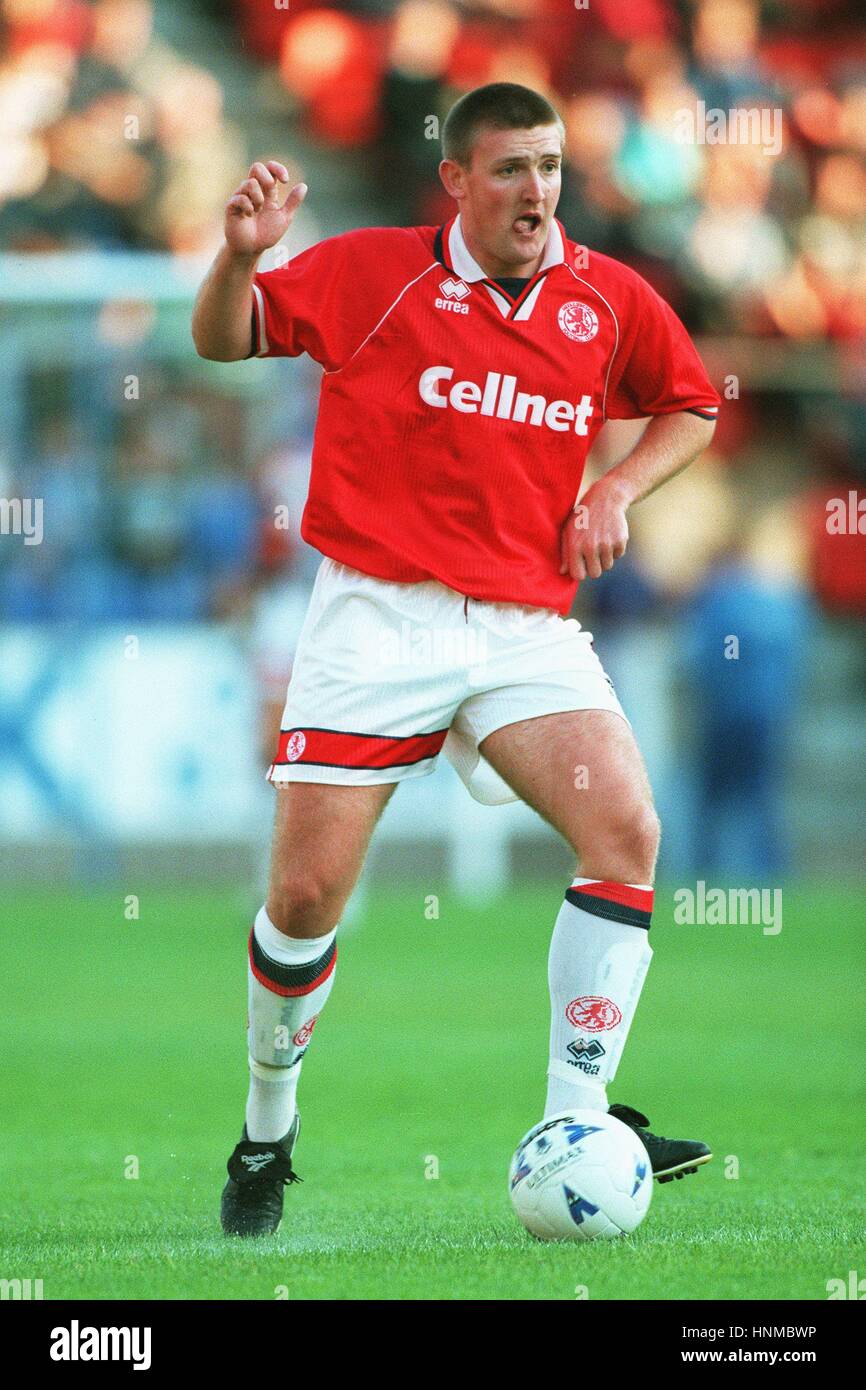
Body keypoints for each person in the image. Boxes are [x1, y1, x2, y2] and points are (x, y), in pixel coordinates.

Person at [192, 83, 719, 1237]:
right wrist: (239, 261)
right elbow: (222, 338)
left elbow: (691, 404)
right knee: (302, 897)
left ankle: (575, 1123)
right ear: (456, 182)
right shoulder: (372, 274)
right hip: (377, 620)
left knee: (624, 832)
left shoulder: (605, 296)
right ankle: (265, 1132)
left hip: (521, 625)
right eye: (511, 170)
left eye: (549, 167)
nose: (537, 191)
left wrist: (616, 486)